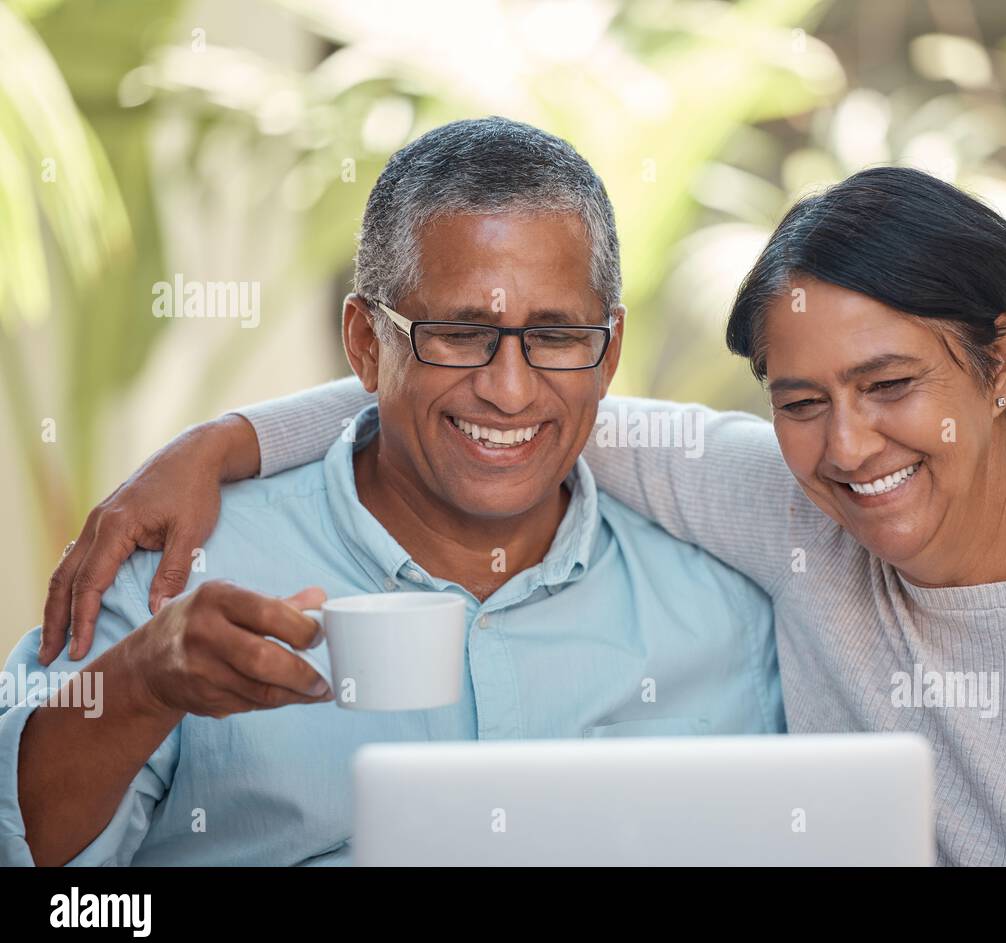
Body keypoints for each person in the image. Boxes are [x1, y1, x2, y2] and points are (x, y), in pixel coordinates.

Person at [30, 166, 1006, 863]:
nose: (851, 447)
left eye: (892, 384)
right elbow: (503, 412)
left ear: (1002, 359)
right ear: (372, 341)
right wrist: (217, 449)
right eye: (803, 399)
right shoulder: (780, 501)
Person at [0, 118, 781, 867]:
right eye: (459, 334)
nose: (509, 391)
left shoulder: (723, 607)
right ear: (367, 346)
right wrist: (142, 684)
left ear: (607, 356)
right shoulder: (176, 570)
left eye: (555, 337)